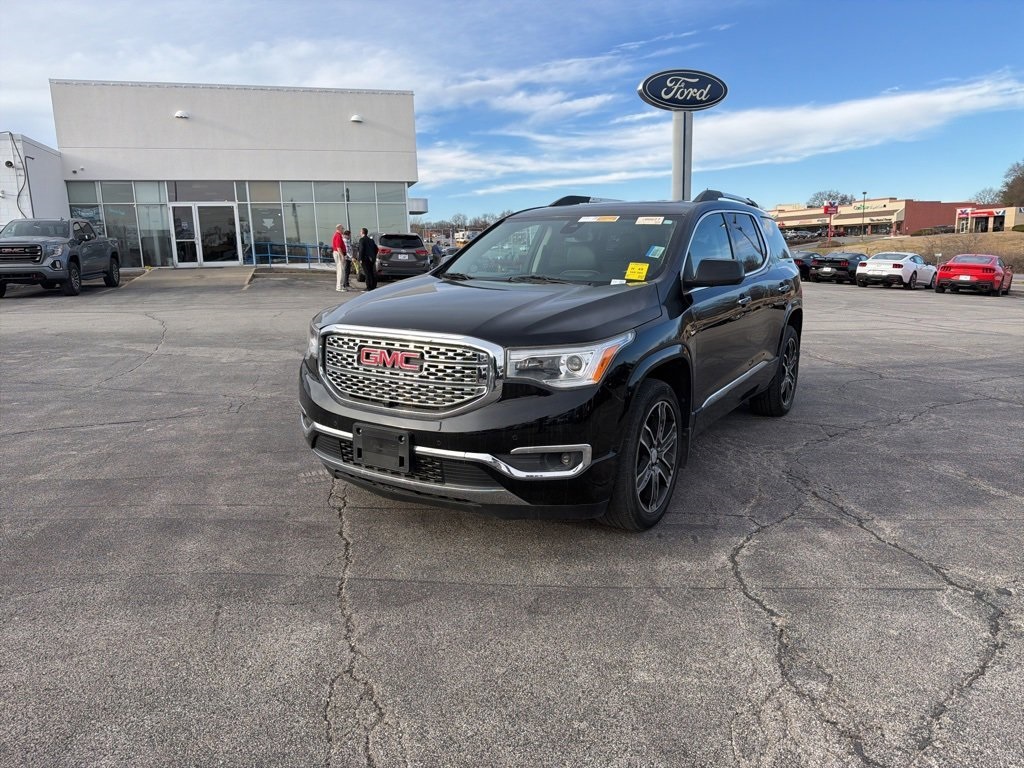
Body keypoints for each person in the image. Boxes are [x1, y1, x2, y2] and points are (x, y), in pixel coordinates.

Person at [331, 224, 349, 291]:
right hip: (338, 254)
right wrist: (342, 256)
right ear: (339, 229)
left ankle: (340, 286)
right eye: (342, 228)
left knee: (340, 270)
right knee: (341, 271)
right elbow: (338, 247)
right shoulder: (338, 236)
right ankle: (340, 287)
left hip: (337, 253)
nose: (343, 230)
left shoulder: (337, 235)